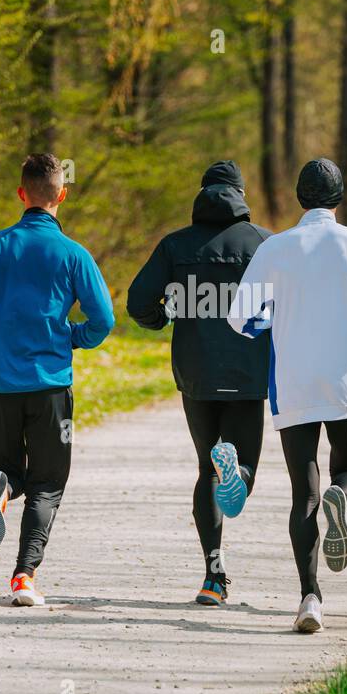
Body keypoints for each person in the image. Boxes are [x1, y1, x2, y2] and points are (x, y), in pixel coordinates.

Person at [227, 158, 347, 633]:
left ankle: (310, 598)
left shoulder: (275, 248)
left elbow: (239, 318)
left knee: (301, 493)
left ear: (299, 198)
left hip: (293, 383)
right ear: (339, 201)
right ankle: (342, 496)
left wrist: (274, 323)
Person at [0, 153, 115, 607]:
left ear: (21, 194)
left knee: (7, 469)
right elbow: (103, 320)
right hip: (50, 386)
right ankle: (24, 576)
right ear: (62, 194)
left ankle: (1, 488)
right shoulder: (73, 254)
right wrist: (72, 337)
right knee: (47, 482)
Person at [126, 161, 271, 606]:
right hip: (249, 375)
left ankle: (214, 575)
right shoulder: (265, 244)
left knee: (206, 472)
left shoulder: (176, 245)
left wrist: (163, 315)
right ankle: (240, 470)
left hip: (197, 376)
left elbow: (138, 302)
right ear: (242, 194)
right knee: (243, 467)